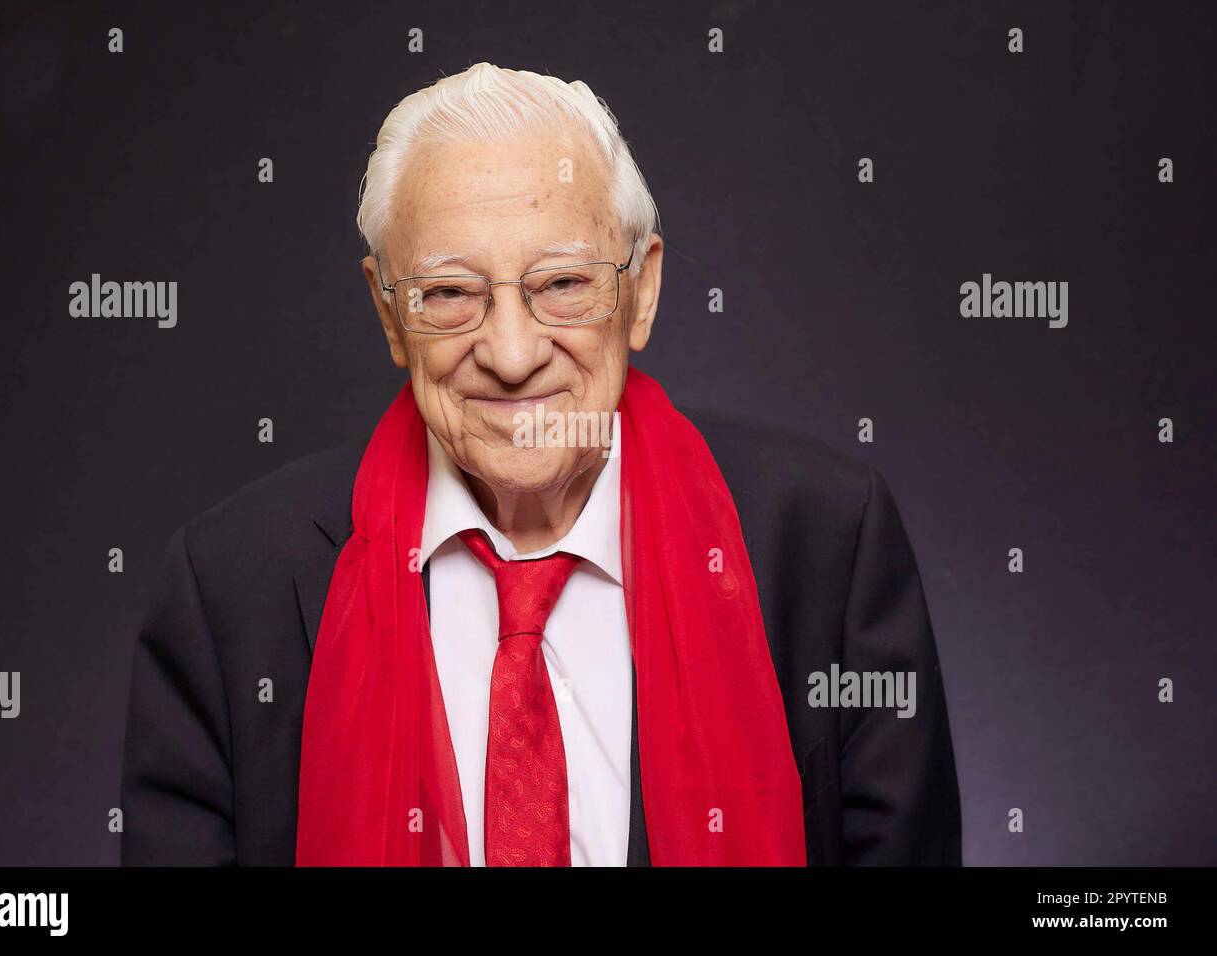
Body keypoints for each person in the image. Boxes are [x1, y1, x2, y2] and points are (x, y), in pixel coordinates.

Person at [120, 62, 961, 867]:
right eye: (449, 294)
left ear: (643, 292)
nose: (513, 355)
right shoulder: (229, 587)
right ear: (388, 311)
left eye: (563, 283)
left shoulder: (826, 545)